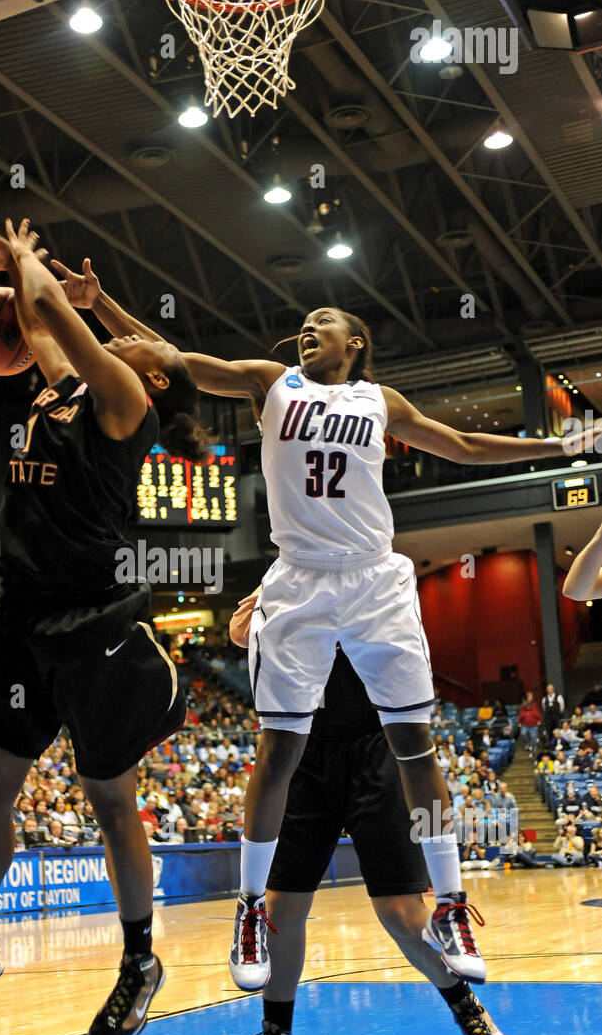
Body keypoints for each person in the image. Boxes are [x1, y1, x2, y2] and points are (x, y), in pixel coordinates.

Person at [51, 257, 599, 991]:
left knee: (413, 745)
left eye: (324, 324)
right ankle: (249, 909)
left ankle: (452, 902)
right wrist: (101, 304)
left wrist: (562, 446)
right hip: (299, 580)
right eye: (302, 327)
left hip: (374, 578)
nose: (307, 330)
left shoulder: (382, 401)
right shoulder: (269, 384)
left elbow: (464, 446)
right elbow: (170, 361)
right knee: (279, 751)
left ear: (357, 342)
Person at [0, 216, 204, 1035]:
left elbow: (60, 322)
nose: (129, 342)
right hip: (21, 610)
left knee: (111, 801)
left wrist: (28, 263)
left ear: (152, 381)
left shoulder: (121, 405)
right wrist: (22, 279)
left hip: (91, 623)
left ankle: (140, 960)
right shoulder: (67, 384)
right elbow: (42, 327)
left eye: (143, 347)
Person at [219, 590, 513, 1035]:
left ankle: (471, 1014)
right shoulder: (282, 578)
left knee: (400, 913)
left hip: (376, 749)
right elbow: (256, 646)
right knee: (281, 908)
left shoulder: (373, 571)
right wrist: (244, 635)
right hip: (301, 754)